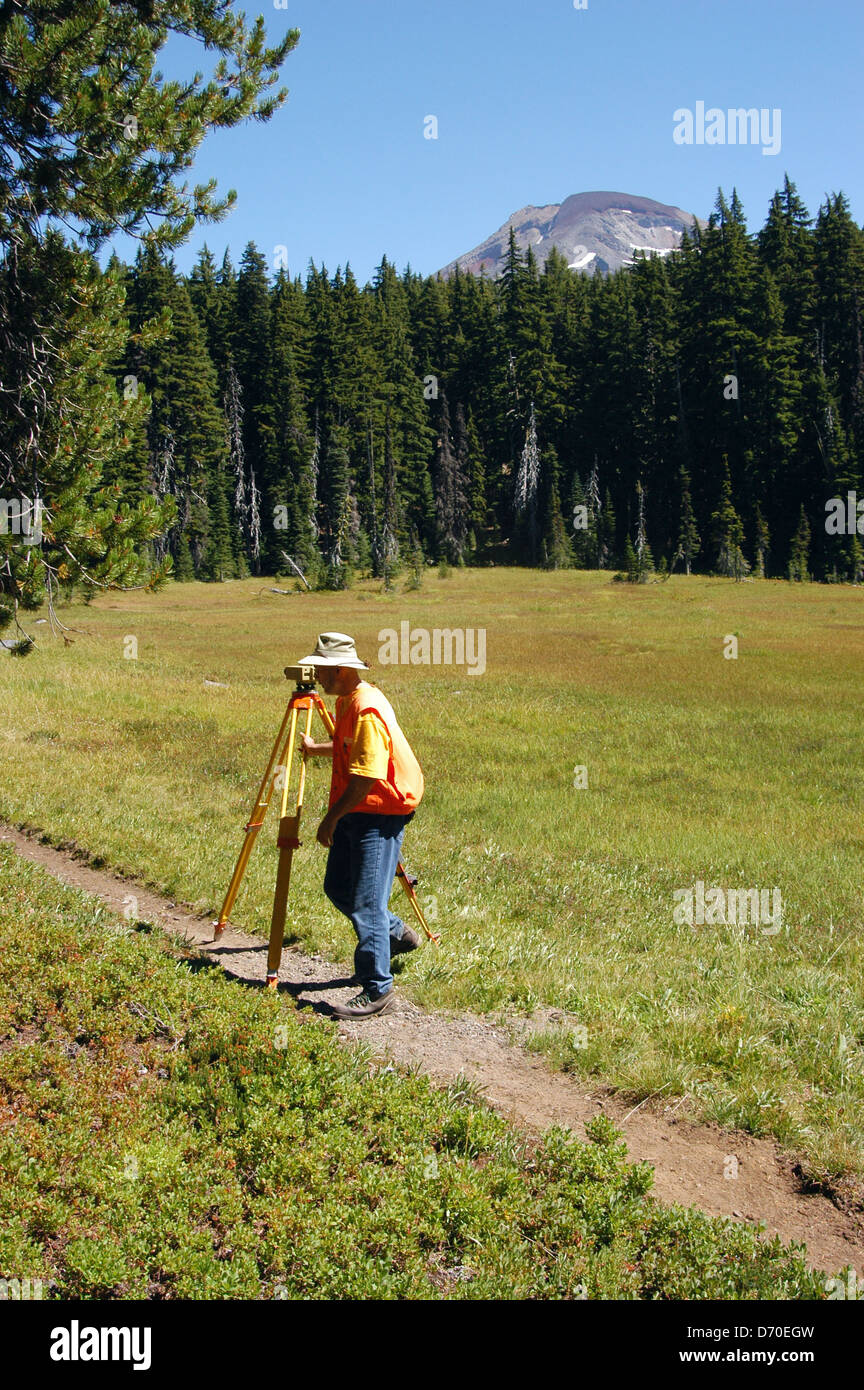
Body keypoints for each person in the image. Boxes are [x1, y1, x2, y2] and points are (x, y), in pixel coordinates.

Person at [298, 631, 425, 1019]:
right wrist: (318, 748)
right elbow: (350, 746)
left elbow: (368, 774)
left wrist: (331, 818)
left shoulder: (366, 706)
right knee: (337, 887)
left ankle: (378, 990)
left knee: (368, 903)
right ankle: (396, 934)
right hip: (360, 807)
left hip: (379, 811)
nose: (316, 677)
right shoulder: (347, 700)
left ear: (340, 669)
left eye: (321, 670)